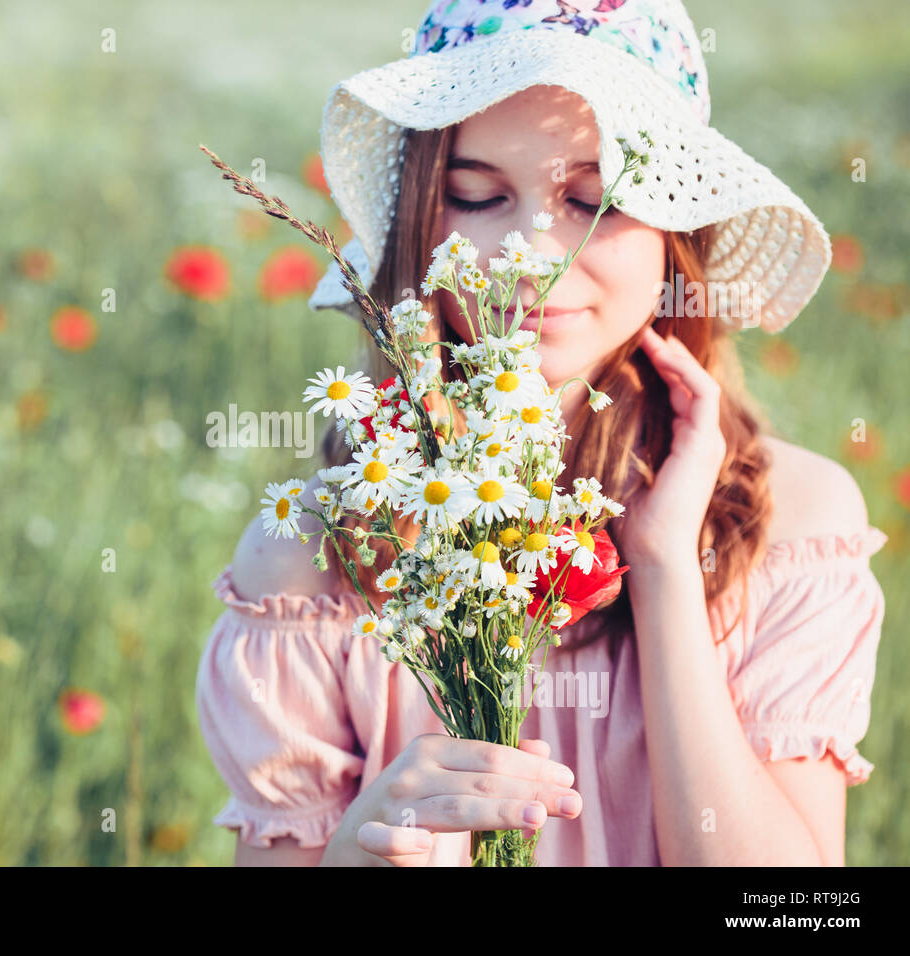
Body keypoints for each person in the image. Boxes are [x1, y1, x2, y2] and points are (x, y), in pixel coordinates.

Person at [195, 0, 888, 866]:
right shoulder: (318, 557)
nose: (535, 248)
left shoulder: (790, 524)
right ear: (420, 220)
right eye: (477, 196)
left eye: (593, 200)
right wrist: (356, 853)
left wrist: (667, 570)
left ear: (677, 236)